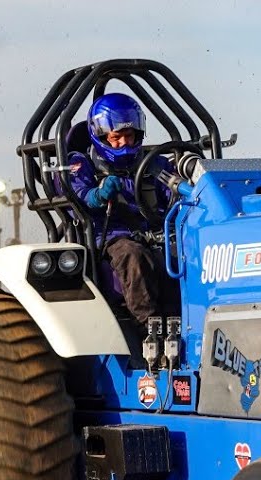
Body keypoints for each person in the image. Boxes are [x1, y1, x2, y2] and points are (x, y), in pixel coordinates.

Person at [68, 93, 173, 324]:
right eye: (117, 137)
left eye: (129, 135)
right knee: (133, 256)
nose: (124, 143)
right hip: (110, 237)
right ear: (101, 136)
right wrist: (98, 194)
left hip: (156, 233)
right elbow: (77, 195)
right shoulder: (81, 163)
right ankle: (151, 325)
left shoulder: (153, 163)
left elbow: (175, 192)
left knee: (184, 253)